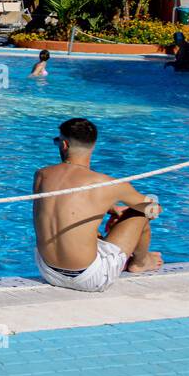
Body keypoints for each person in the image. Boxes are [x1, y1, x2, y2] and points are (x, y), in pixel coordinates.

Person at [32, 118, 164, 292]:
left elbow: (65, 205)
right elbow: (153, 211)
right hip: (89, 279)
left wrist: (112, 207)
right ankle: (141, 262)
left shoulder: (42, 175)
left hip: (48, 271)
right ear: (93, 146)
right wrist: (149, 200)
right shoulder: (107, 184)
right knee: (139, 214)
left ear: (64, 144)